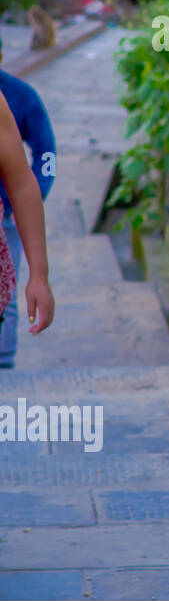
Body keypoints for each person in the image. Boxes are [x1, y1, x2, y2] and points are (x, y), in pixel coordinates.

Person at [0, 48, 55, 366]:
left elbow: (28, 177)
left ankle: (4, 361)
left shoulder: (18, 98)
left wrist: (40, 274)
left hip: (7, 218)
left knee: (9, 303)